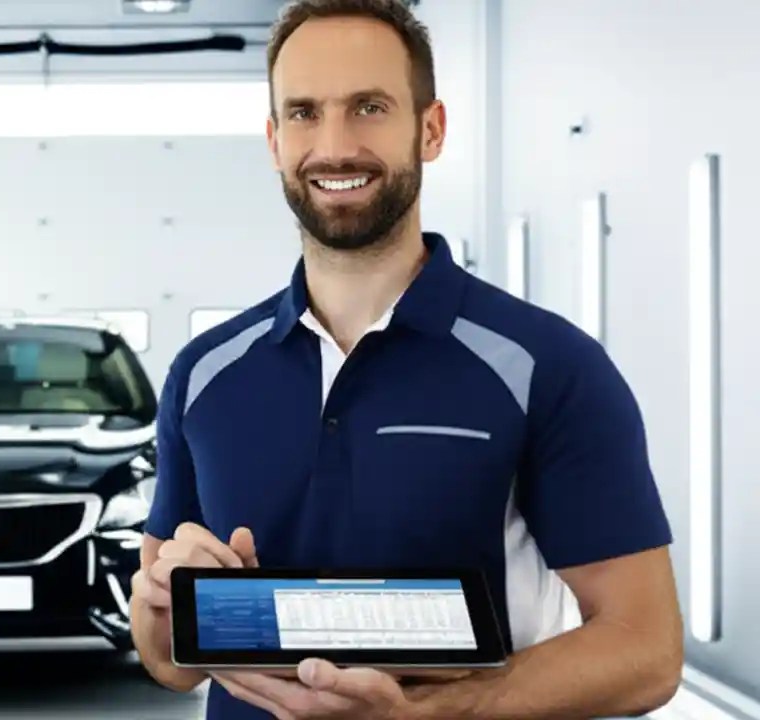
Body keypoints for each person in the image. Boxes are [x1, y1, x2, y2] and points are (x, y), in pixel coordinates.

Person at [128, 0, 685, 718]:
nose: (333, 145)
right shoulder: (204, 373)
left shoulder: (547, 365)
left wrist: (420, 716)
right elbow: (168, 661)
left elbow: (646, 650)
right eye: (303, 112)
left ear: (431, 129)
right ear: (273, 140)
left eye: (368, 106)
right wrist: (159, 620)